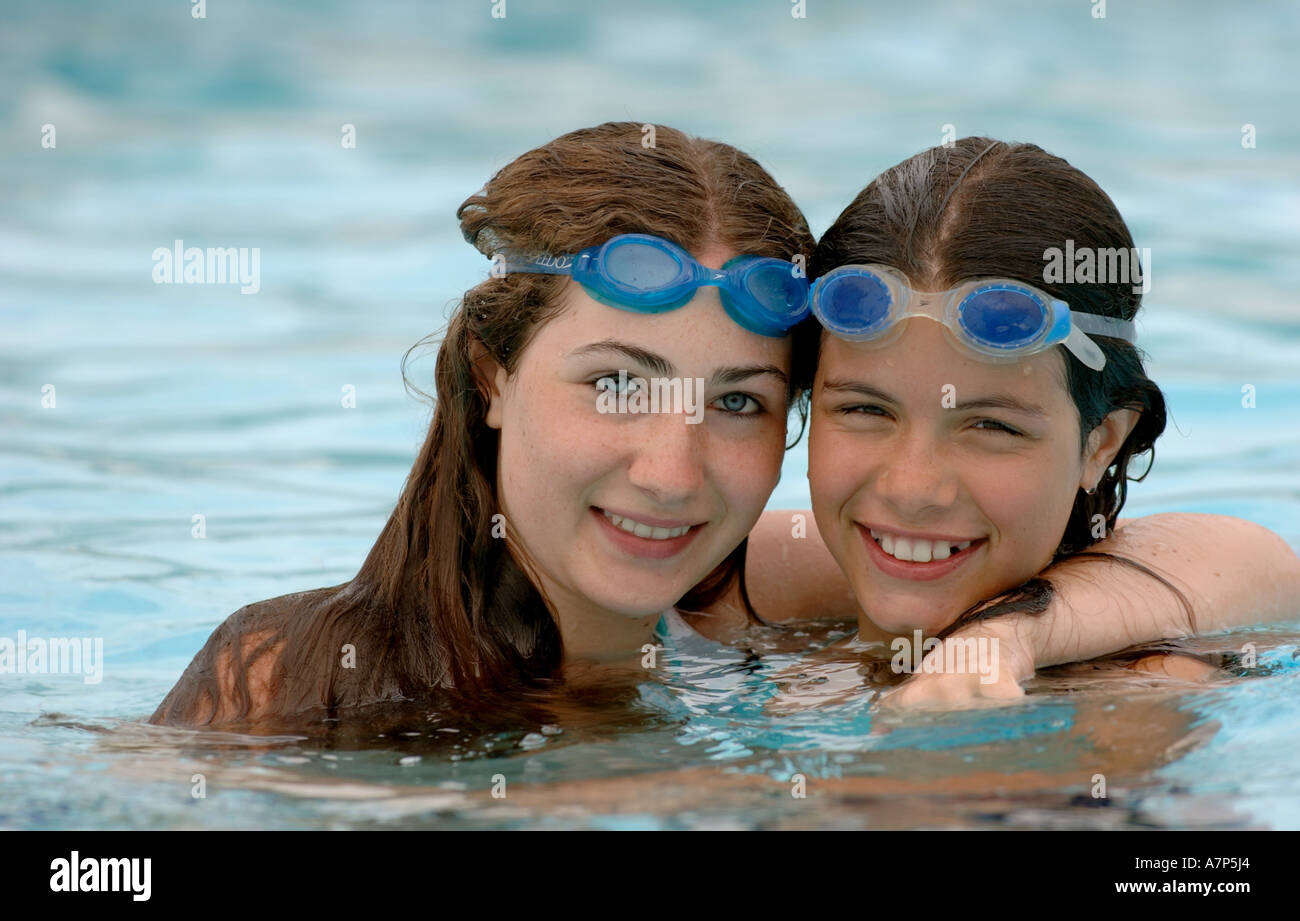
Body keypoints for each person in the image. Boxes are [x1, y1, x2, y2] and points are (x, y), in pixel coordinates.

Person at [150, 125, 1295, 729]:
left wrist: (1009, 639)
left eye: (738, 401)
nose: (670, 470)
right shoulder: (295, 680)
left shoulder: (1119, 693)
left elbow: (1248, 561)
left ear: (1105, 438)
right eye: (615, 382)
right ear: (491, 375)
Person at [799, 136, 1300, 703]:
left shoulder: (1136, 694)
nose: (912, 490)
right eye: (865, 409)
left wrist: (1007, 635)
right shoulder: (759, 607)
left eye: (992, 426)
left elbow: (1259, 564)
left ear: (1101, 444)